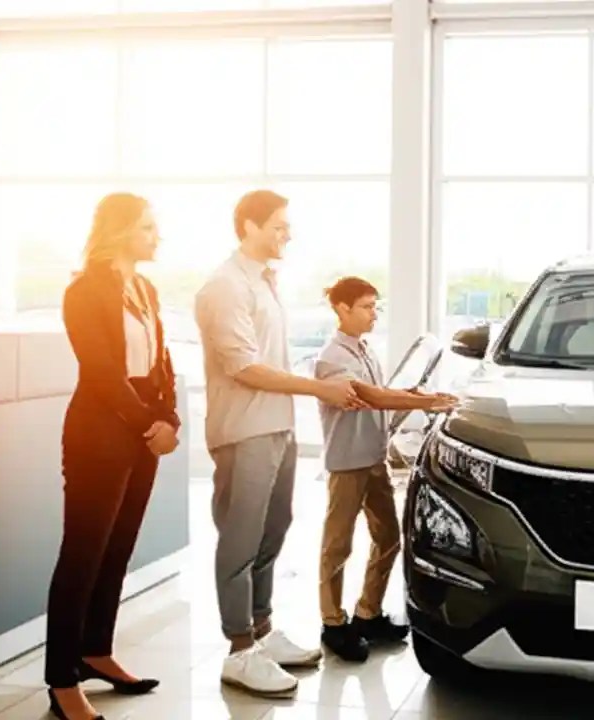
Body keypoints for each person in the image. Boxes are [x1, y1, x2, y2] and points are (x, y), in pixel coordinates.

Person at [194, 189, 363, 697]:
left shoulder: (266, 283)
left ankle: (262, 632)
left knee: (273, 532)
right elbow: (243, 366)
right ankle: (239, 649)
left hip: (277, 426)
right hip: (244, 429)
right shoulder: (224, 287)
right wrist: (319, 388)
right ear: (247, 225)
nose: (287, 234)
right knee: (240, 542)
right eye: (278, 226)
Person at [45, 193, 180, 720]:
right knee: (83, 553)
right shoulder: (83, 289)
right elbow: (101, 372)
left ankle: (95, 650)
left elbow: (160, 360)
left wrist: (168, 418)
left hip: (142, 426)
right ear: (120, 230)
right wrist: (151, 422)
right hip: (99, 431)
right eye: (148, 227)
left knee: (118, 548)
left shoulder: (144, 287)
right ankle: (61, 681)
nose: (156, 236)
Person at [313, 277, 458, 662]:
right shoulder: (332, 357)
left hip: (374, 458)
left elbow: (389, 393)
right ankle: (333, 623)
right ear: (342, 309)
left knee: (390, 537)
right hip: (347, 464)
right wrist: (424, 401)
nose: (373, 314)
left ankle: (367, 614)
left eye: (375, 306)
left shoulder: (365, 350)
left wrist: (424, 398)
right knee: (337, 545)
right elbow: (370, 396)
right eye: (365, 306)